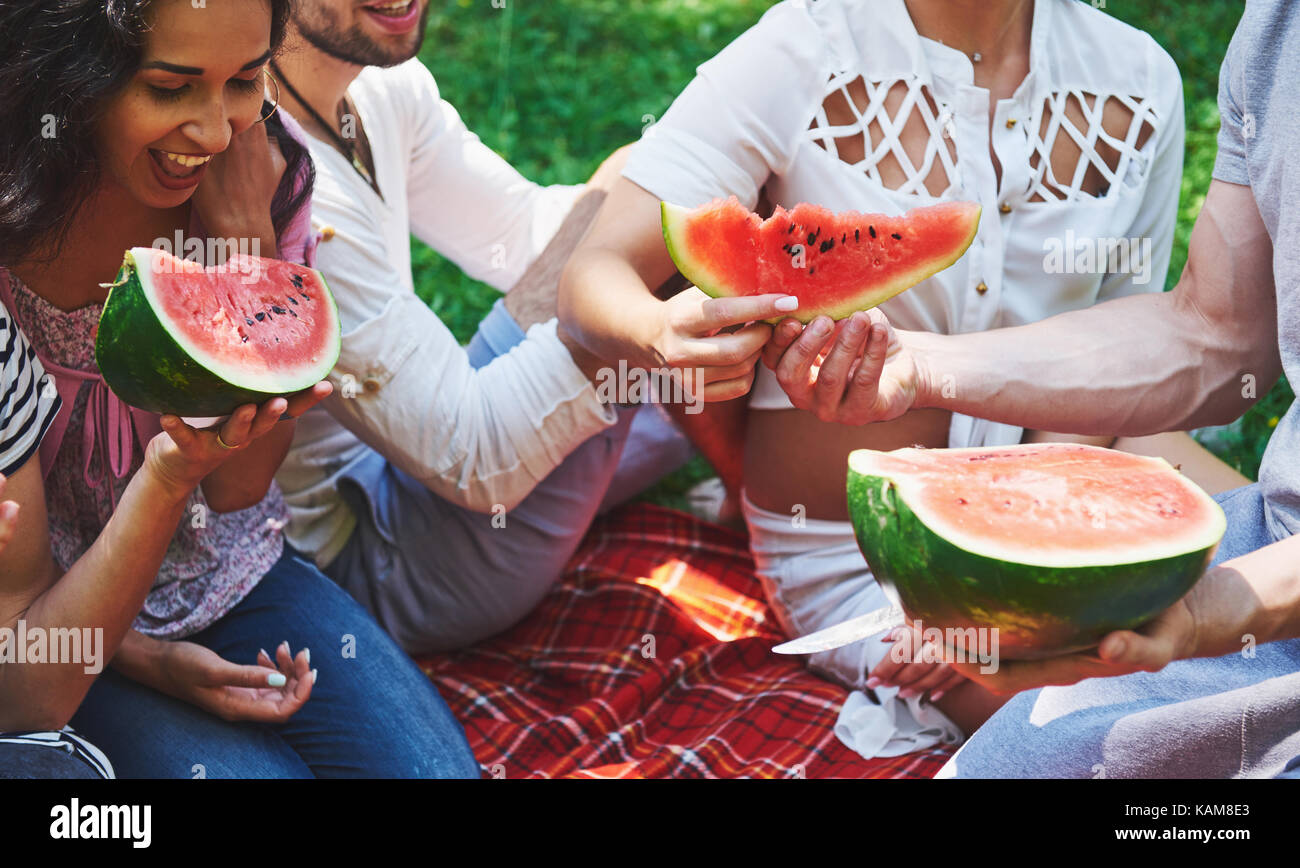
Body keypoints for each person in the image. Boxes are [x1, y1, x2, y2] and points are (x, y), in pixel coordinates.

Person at [558, 0, 1250, 759]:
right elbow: (592, 279)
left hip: (1071, 470)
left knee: (1265, 598)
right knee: (1133, 742)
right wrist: (662, 334)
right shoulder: (802, 47)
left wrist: (1045, 560)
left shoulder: (1139, 78)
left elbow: (1131, 342)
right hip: (857, 564)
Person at [760, 0, 1300, 778]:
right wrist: (920, 367)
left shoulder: (1132, 73)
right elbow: (1214, 337)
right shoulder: (1275, 27)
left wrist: (1215, 612)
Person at [0, 0, 478, 778]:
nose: (217, 132)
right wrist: (138, 656)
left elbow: (236, 486)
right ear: (72, 75)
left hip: (217, 570)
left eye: (245, 80)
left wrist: (246, 253)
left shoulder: (268, 170)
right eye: (169, 87)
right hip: (50, 622)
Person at [264, 0, 791, 654]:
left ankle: (773, 492)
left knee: (675, 207)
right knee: (666, 207)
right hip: (378, 565)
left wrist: (640, 215)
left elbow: (518, 233)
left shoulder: (376, 83)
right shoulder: (277, 181)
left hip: (425, 457)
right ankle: (783, 534)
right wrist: (630, 267)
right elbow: (475, 460)